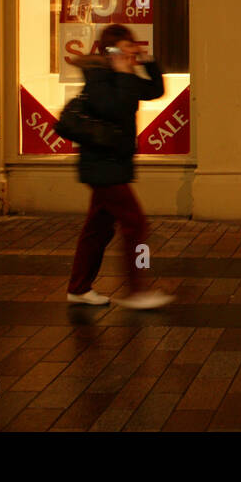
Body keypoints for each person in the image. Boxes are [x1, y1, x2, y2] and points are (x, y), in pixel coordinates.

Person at [65, 23, 174, 309]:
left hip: (112, 163)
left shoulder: (122, 75)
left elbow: (154, 90)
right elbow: (112, 108)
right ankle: (138, 291)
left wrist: (146, 61)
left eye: (131, 46)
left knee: (98, 229)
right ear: (111, 51)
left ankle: (78, 287)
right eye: (125, 47)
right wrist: (125, 72)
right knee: (136, 224)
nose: (129, 52)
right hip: (103, 164)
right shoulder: (99, 76)